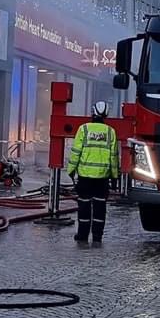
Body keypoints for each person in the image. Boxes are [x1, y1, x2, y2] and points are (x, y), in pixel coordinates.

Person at [67, 99, 120, 246]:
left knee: (83, 207)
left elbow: (76, 153)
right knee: (100, 208)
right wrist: (115, 177)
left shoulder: (83, 129)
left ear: (93, 112)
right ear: (106, 114)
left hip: (84, 177)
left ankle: (82, 236)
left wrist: (71, 170)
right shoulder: (111, 132)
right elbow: (114, 157)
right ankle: (97, 237)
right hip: (102, 179)